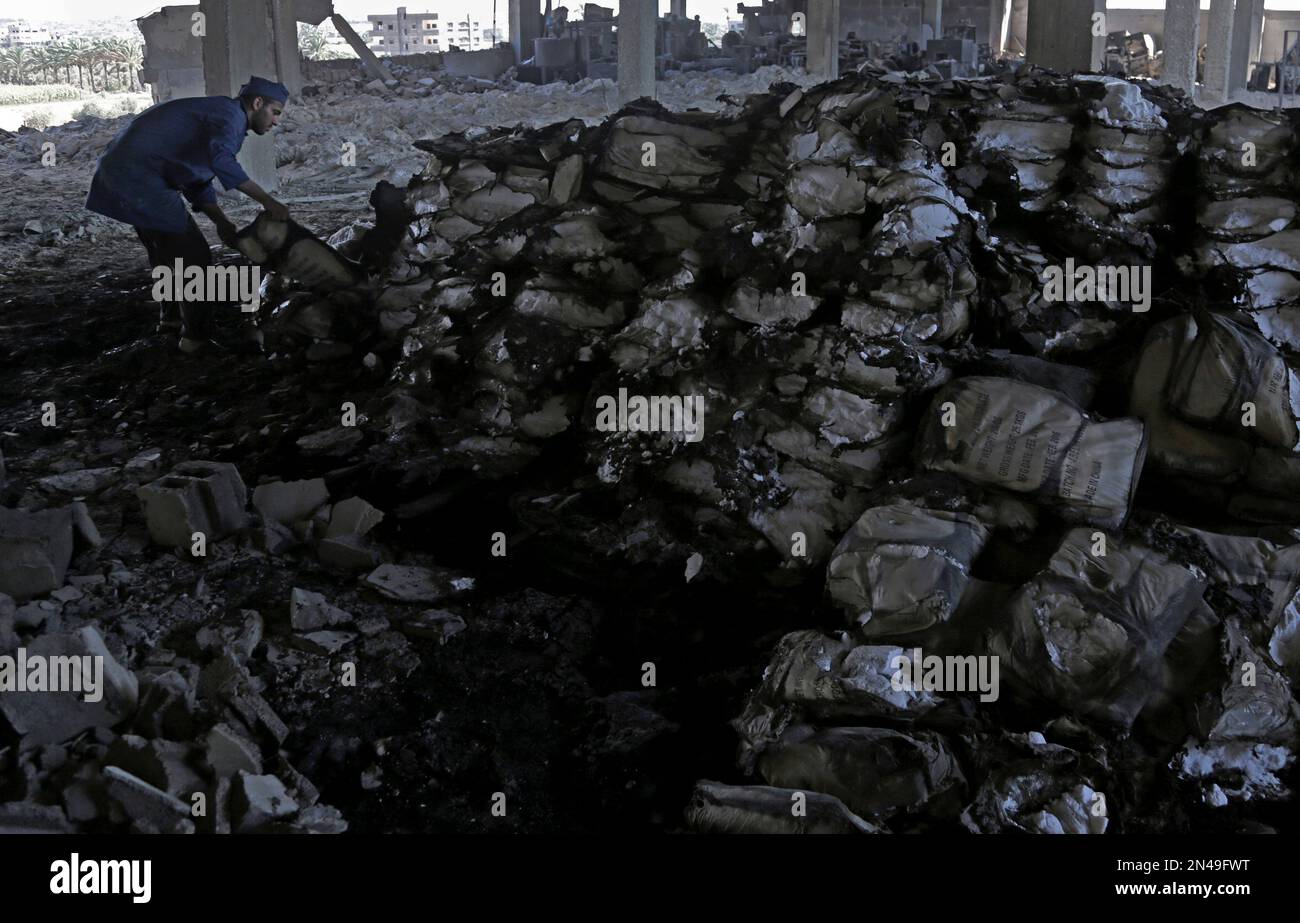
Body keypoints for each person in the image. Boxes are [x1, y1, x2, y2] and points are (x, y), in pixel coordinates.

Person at [85, 76, 292, 353]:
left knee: (167, 255)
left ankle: (170, 322)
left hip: (123, 174)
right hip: (142, 179)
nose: (275, 121)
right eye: (275, 112)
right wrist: (269, 202)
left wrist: (222, 222)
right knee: (194, 259)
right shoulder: (230, 116)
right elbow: (222, 162)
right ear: (257, 103)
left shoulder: (218, 115)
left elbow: (193, 178)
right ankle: (196, 339)